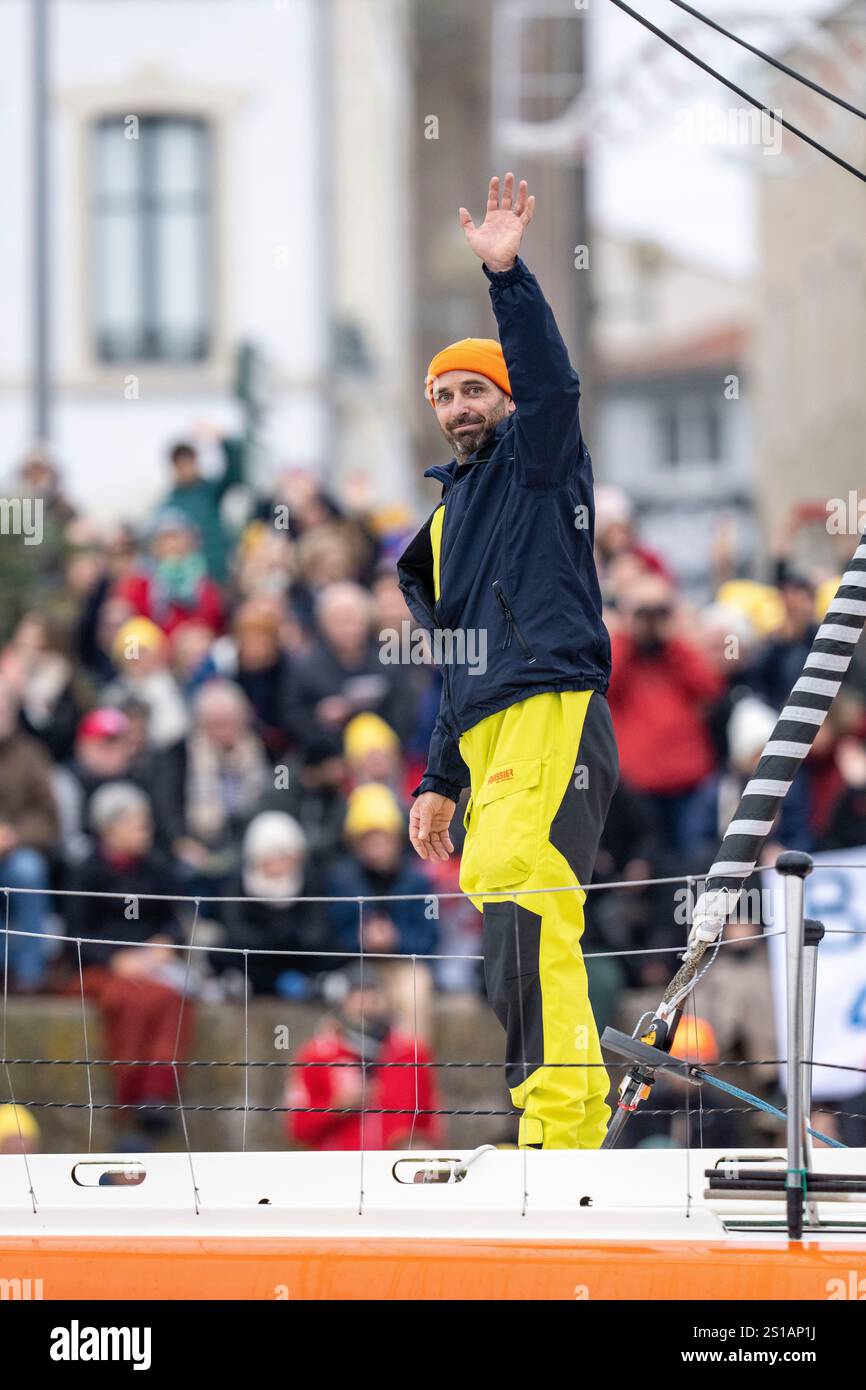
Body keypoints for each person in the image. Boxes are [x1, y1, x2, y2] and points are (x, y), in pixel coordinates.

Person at [398, 175, 618, 1150]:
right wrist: (438, 775)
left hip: (550, 707)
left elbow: (554, 379)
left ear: (507, 396)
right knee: (504, 905)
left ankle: (562, 1130)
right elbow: (453, 661)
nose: (455, 406)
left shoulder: (540, 455)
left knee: (528, 898)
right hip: (487, 729)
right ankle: (546, 1116)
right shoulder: (445, 521)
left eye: (472, 387)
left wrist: (506, 274)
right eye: (441, 394)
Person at [63, 782, 192, 1134]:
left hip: (151, 965)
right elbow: (72, 936)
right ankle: (132, 1090)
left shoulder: (157, 868)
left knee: (171, 998)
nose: (144, 831)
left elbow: (175, 919)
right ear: (110, 828)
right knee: (134, 998)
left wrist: (166, 942)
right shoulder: (85, 871)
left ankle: (156, 1090)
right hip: (104, 970)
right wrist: (115, 959)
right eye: (136, 823)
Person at [285, 965, 442, 1151]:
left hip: (395, 1171)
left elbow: (431, 1122)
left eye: (373, 992)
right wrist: (335, 1107)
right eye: (358, 993)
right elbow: (297, 1128)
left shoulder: (411, 1053)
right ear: (342, 1001)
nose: (367, 1000)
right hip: (339, 1170)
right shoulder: (316, 1054)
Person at [327, 783, 437, 1039]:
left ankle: (412, 1070)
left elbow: (430, 939)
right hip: (355, 966)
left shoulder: (417, 881)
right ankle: (358, 1072)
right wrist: (362, 940)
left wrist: (395, 940)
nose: (376, 847)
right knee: (356, 1002)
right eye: (368, 839)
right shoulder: (341, 880)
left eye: (382, 838)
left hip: (401, 966)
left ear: (396, 838)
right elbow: (326, 939)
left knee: (416, 986)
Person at [211, 812, 330, 997]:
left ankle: (313, 984)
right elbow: (235, 930)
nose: (280, 864)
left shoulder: (308, 882)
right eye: (273, 856)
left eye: (286, 856)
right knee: (220, 953)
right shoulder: (239, 885)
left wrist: (290, 938)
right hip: (254, 958)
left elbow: (317, 930)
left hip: (297, 956)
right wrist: (268, 940)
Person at [0, 678, 60, 991]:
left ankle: (30, 975)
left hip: (14, 854)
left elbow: (50, 819)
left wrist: (14, 836)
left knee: (28, 869)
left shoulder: (31, 755)